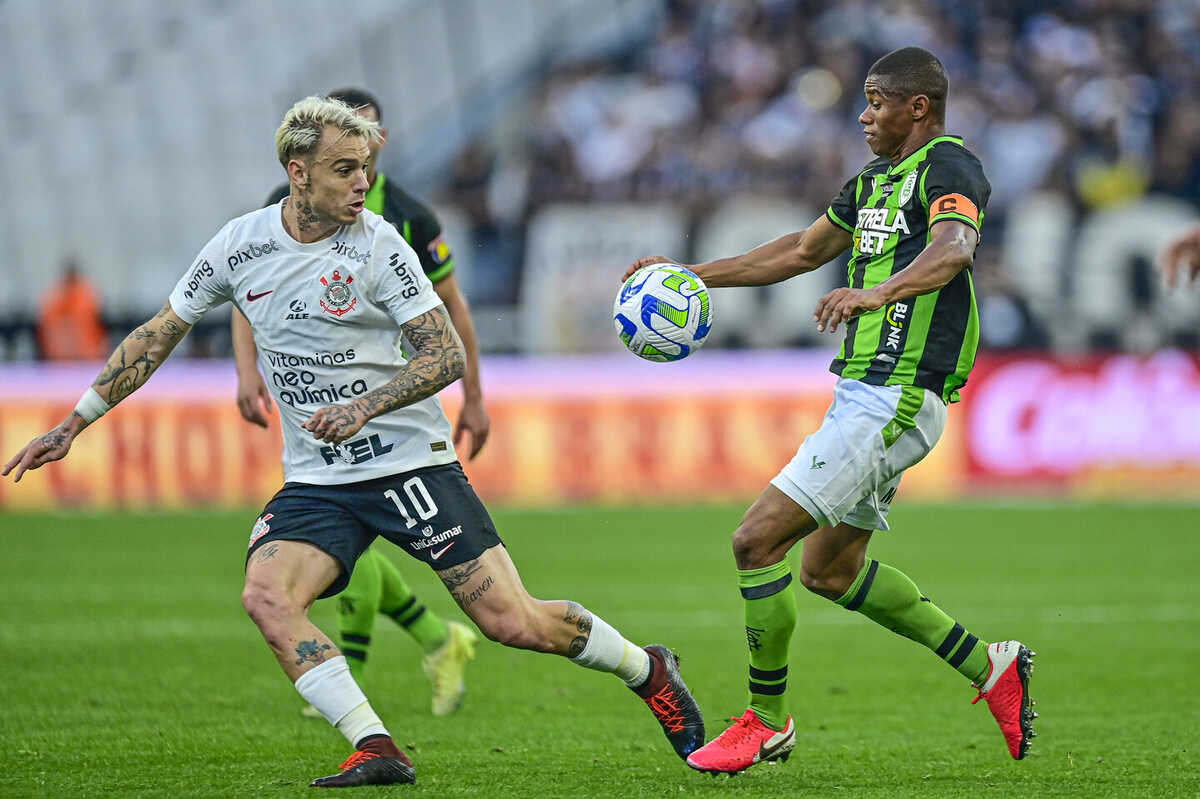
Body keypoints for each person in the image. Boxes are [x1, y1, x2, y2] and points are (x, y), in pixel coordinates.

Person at [5, 95, 704, 788]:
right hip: (319, 480)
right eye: (344, 170)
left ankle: (647, 669)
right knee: (268, 597)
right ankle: (375, 743)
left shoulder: (380, 245)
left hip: (409, 466)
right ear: (298, 170)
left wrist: (364, 404)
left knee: (512, 621)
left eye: (366, 168)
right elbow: (158, 333)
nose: (362, 184)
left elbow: (444, 355)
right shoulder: (239, 245)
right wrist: (75, 421)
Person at [625, 47, 1035, 774]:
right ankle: (990, 664)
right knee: (831, 573)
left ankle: (764, 719)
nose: (863, 113)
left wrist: (875, 294)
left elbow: (955, 250)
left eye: (876, 100)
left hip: (898, 390)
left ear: (918, 106)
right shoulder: (872, 183)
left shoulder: (949, 165)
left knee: (755, 541)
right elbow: (799, 250)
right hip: (864, 391)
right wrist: (690, 274)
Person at [235, 87, 485, 719]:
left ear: (382, 140)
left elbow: (453, 312)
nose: (359, 161)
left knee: (354, 544)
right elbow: (244, 288)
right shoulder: (286, 210)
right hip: (318, 411)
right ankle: (429, 642)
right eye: (345, 152)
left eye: (366, 143)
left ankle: (361, 676)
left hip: (396, 413)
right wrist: (247, 370)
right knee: (345, 545)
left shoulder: (406, 219)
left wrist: (474, 397)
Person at [36, 257, 108, 361]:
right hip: (64, 358)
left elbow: (99, 325)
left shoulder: (86, 295)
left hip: (84, 356)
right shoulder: (55, 298)